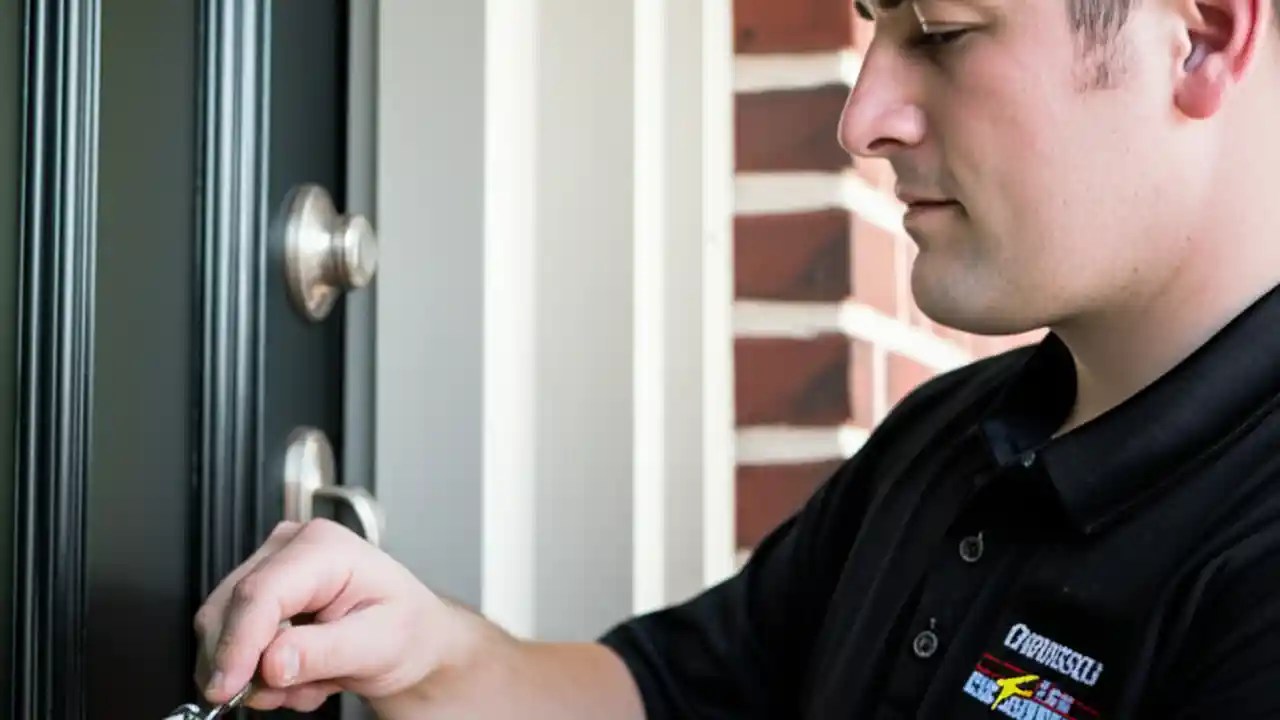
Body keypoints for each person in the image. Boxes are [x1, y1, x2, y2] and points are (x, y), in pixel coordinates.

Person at [194, 0, 1280, 716]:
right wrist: (430, 654)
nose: (862, 118)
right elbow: (661, 697)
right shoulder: (951, 446)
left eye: (942, 30)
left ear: (1198, 34)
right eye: (875, 22)